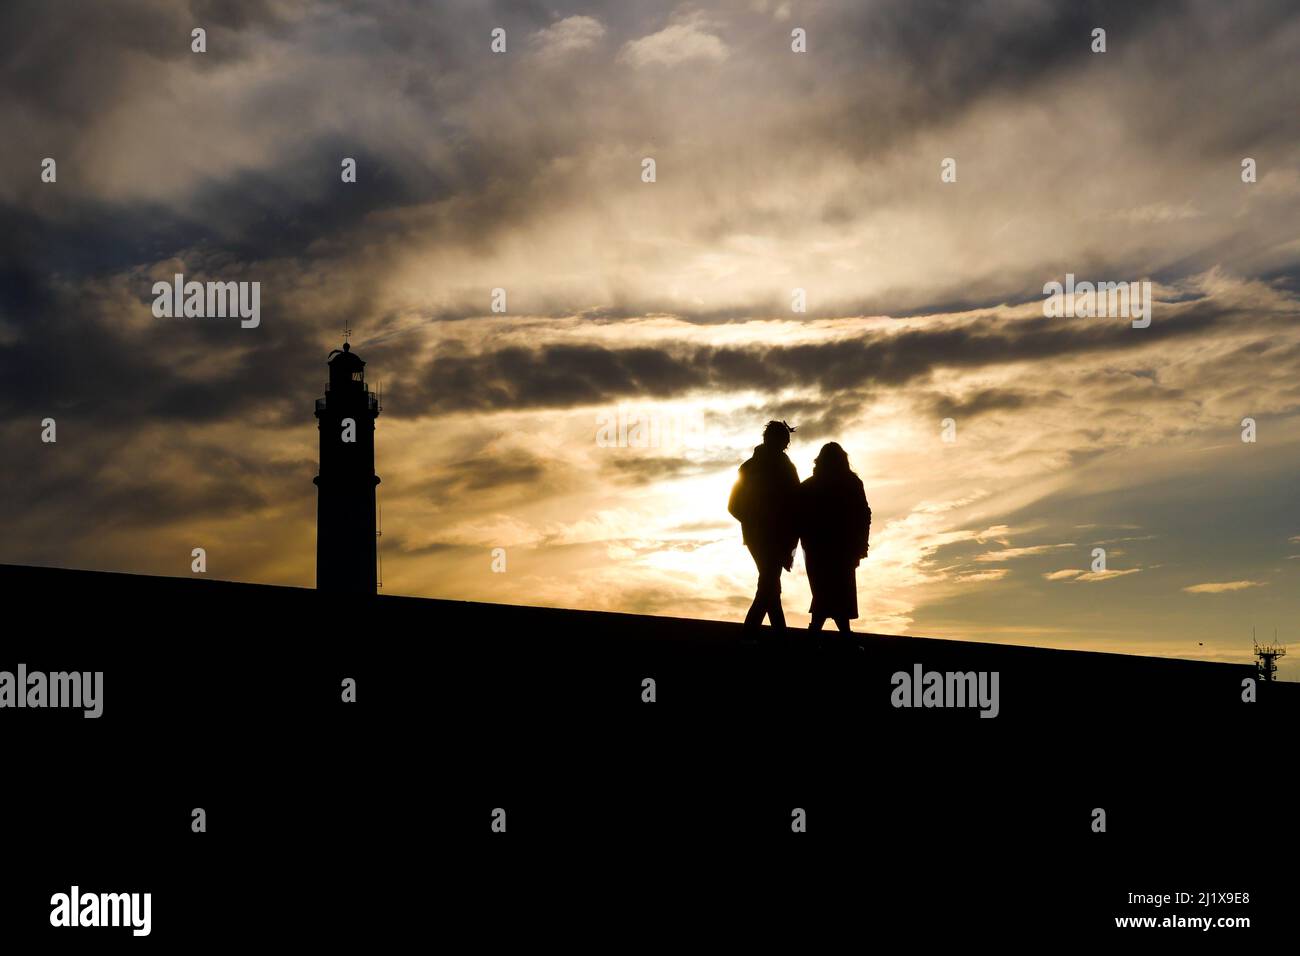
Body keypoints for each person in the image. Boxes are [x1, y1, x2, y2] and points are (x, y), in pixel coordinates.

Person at [728, 421, 800, 634]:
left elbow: (733, 506)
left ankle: (776, 636)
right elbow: (796, 506)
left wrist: (752, 522)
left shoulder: (749, 467)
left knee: (770, 585)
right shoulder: (786, 469)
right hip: (775, 538)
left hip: (759, 537)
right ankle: (749, 634)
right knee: (769, 584)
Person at [797, 442, 871, 635]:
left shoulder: (809, 486)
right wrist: (862, 543)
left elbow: (797, 517)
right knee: (838, 591)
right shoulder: (852, 483)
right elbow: (864, 515)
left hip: (815, 547)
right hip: (843, 547)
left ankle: (821, 632)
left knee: (824, 591)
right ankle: (841, 635)